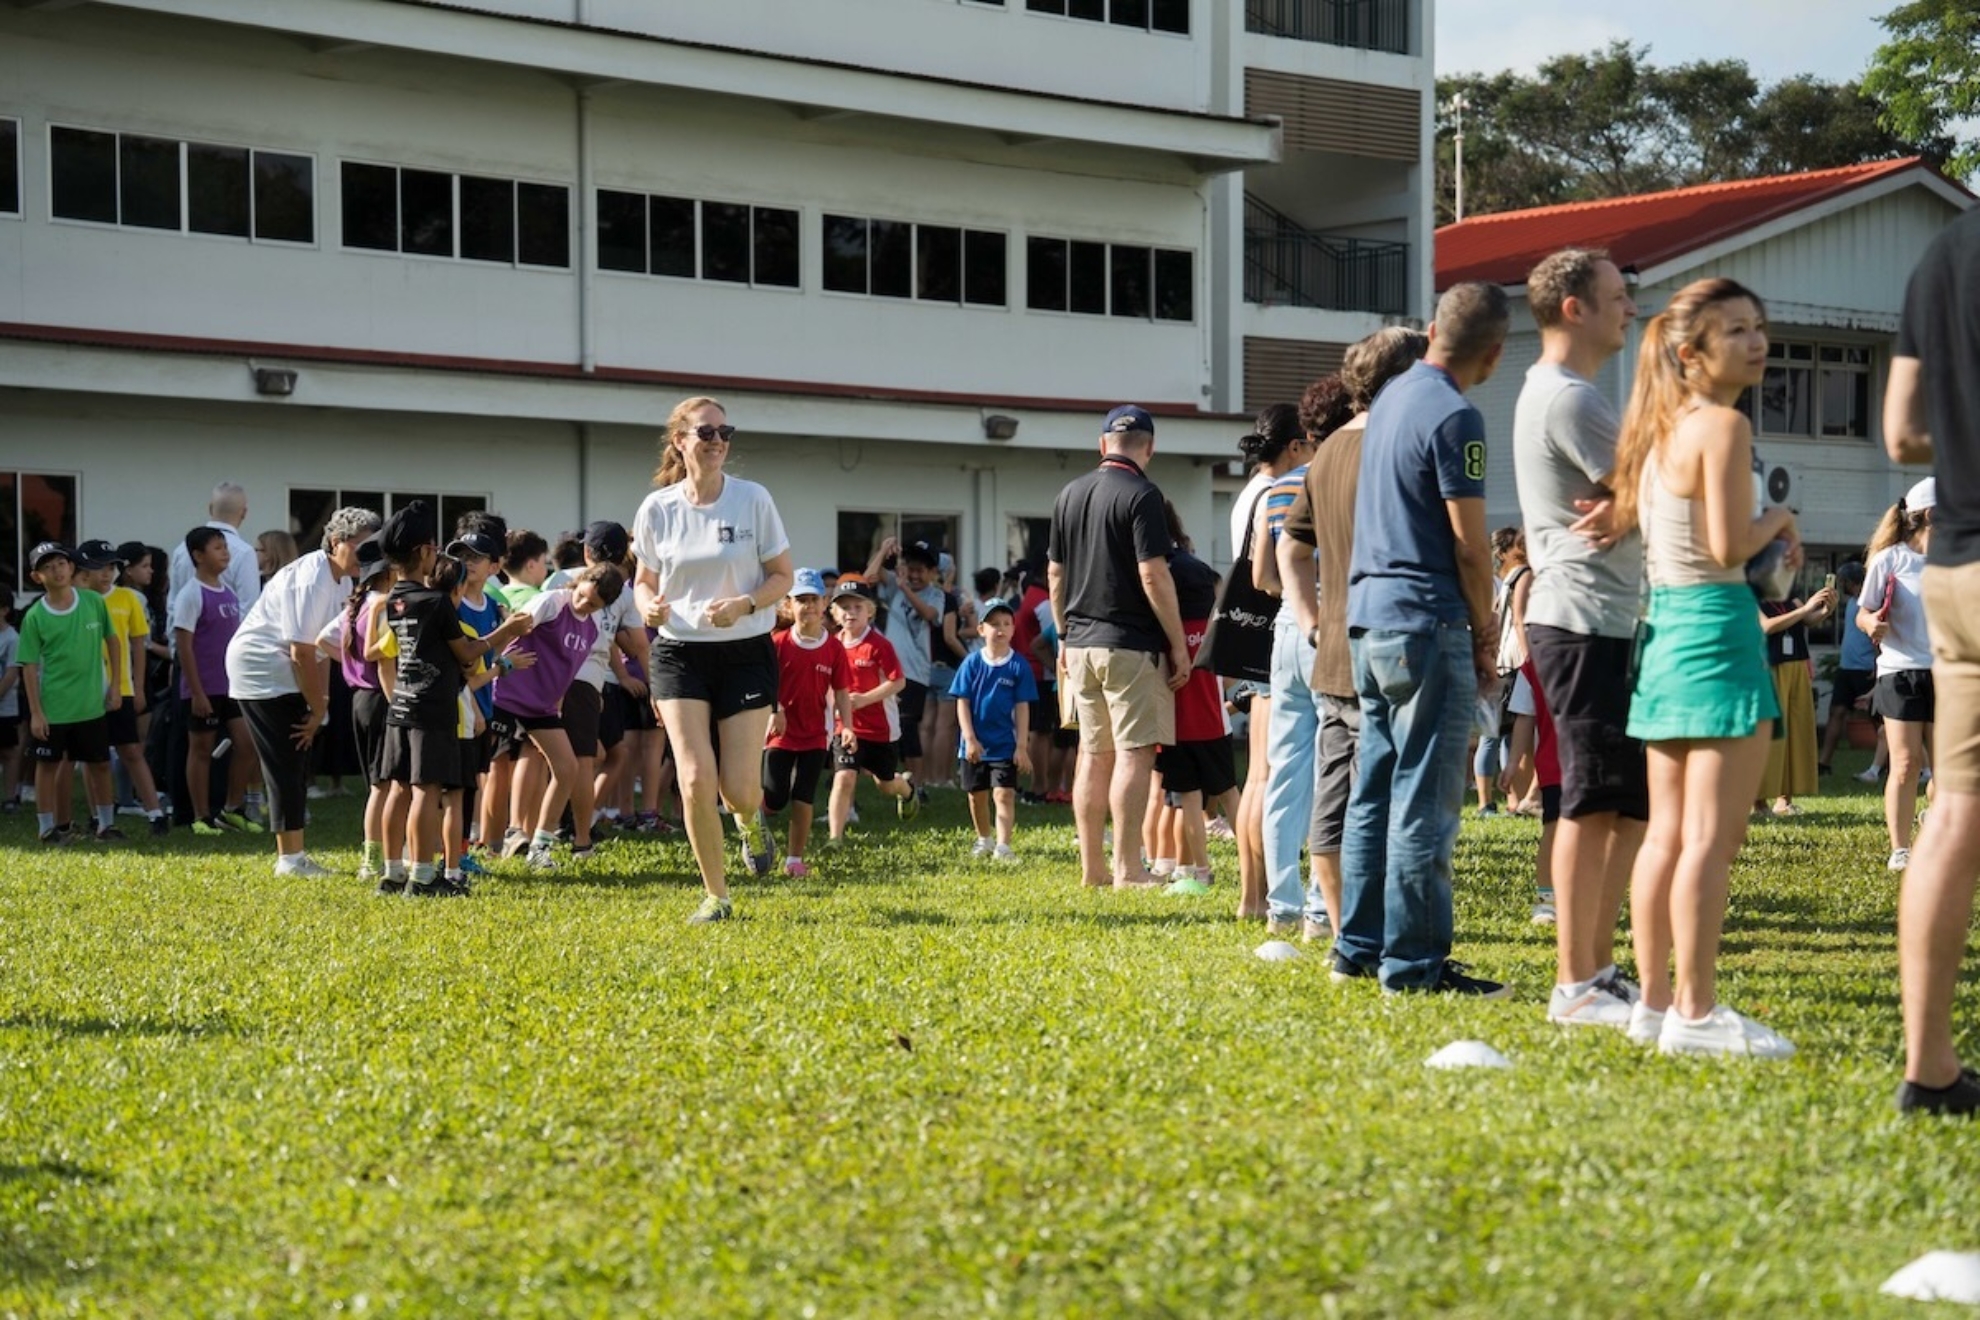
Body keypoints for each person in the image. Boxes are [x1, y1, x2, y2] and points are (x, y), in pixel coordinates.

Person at [1610, 277, 1798, 1058]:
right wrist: (1781, 519)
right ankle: (1696, 1012)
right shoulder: (1721, 426)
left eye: (1757, 325)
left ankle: (1655, 1005)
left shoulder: (1658, 430)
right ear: (1690, 354)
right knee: (1710, 843)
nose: (1754, 341)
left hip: (1666, 637)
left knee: (1667, 837)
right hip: (1717, 630)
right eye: (1734, 331)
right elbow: (1729, 546)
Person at [1330, 284, 1511, 997]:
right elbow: (1472, 546)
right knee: (1425, 804)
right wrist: (1486, 631)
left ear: (1433, 329)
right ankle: (1413, 966)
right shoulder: (1457, 415)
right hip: (1427, 620)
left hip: (1368, 619)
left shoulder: (1391, 399)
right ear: (1494, 355)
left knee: (1373, 793)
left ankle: (1356, 948)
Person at [1506, 248, 1649, 1027]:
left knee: (1626, 807)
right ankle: (1575, 984)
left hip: (1605, 619)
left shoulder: (1568, 393)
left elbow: (1646, 492)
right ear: (1575, 308)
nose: (1630, 308)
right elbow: (1670, 493)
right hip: (1583, 619)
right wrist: (1641, 499)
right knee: (1589, 804)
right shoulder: (1571, 400)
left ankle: (1598, 969)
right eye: (1619, 294)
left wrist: (1634, 501)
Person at [1278, 326, 1431, 944]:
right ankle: (1392, 937)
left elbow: (1290, 547)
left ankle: (1345, 933)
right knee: (1391, 802)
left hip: (1333, 653)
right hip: (1391, 646)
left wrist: (1312, 619)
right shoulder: (1400, 442)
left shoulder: (1328, 451)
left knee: (1334, 805)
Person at [631, 395, 796, 925]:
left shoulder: (753, 500)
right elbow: (643, 582)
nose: (719, 440)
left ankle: (750, 821)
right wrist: (648, 606)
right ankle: (717, 896)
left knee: (740, 789)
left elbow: (783, 577)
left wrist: (746, 603)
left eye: (726, 432)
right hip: (679, 653)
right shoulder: (658, 508)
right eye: (707, 432)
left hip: (746, 651)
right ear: (680, 441)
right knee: (696, 779)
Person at [1885, 205, 1980, 1115]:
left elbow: (1902, 434)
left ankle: (1931, 1067)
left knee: (1954, 811)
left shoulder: (1944, 252)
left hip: (1954, 567)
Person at [1048, 405, 1191, 890]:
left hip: (1081, 645)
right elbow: (1153, 573)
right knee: (1133, 754)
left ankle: (1093, 870)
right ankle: (1130, 869)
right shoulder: (1144, 494)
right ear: (1149, 447)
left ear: (1101, 443)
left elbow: (1055, 575)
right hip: (1130, 645)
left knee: (1093, 753)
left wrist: (1064, 637)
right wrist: (1179, 644)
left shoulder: (1069, 494)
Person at [224, 505, 381, 877]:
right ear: (337, 542)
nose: (370, 556)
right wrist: (315, 707)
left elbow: (326, 647)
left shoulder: (343, 579)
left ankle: (295, 855)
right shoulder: (312, 577)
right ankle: (290, 860)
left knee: (296, 759)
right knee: (284, 761)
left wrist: (319, 708)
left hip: (288, 669)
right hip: (262, 669)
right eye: (363, 546)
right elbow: (301, 650)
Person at [1257, 384, 1354, 937]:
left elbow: (1265, 576)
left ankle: (1282, 906)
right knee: (1332, 769)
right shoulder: (1338, 478)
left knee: (1283, 773)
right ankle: (1322, 907)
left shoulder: (1275, 488)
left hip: (1285, 626)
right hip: (1328, 621)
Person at [486, 564, 623, 880]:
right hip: (506, 694)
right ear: (580, 582)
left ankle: (540, 848)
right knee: (481, 768)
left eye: (593, 605)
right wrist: (495, 662)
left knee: (567, 767)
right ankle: (477, 845)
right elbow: (512, 628)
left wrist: (557, 702)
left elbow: (567, 670)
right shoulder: (551, 601)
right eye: (583, 596)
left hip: (542, 707)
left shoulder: (592, 629)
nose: (583, 605)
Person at [1228, 405, 1309, 919]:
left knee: (1259, 774)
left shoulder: (1250, 492)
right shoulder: (1283, 491)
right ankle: (1259, 895)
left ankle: (1251, 897)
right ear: (1297, 446)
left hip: (1260, 637)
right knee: (1266, 774)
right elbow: (1266, 575)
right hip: (1278, 631)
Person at [18, 542, 120, 844]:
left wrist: (115, 686)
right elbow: (29, 667)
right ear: (37, 577)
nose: (56, 570)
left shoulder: (92, 602)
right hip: (55, 708)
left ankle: (106, 825)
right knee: (48, 766)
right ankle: (47, 828)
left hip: (91, 705)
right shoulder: (35, 616)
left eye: (61, 564)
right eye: (47, 567)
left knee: (100, 764)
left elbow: (112, 640)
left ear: (72, 568)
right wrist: (36, 713)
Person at [1860, 480, 1937, 873]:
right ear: (1931, 515)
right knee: (1905, 765)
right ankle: (1901, 848)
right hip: (1900, 671)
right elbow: (1863, 612)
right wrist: (1871, 622)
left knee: (1949, 774)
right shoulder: (1889, 560)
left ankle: (1935, 824)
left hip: (1948, 674)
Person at [763, 568, 855, 878]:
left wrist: (848, 727)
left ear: (825, 602)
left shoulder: (834, 648)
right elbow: (765, 682)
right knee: (774, 796)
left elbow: (842, 692)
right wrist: (775, 709)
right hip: (780, 733)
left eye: (814, 599)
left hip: (817, 734)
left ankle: (793, 859)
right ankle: (755, 831)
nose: (809, 606)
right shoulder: (778, 643)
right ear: (789, 604)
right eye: (802, 600)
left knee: (803, 796)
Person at [73, 540, 168, 835]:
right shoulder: (78, 600)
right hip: (87, 690)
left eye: (112, 566)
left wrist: (139, 687)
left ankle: (155, 812)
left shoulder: (127, 599)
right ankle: (97, 814)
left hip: (122, 687)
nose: (107, 573)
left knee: (131, 750)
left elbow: (138, 646)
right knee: (93, 755)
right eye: (100, 567)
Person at [175, 526, 256, 835]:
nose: (226, 553)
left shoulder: (230, 593)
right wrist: (196, 692)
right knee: (201, 750)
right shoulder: (190, 594)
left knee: (247, 745)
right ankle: (200, 816)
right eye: (218, 548)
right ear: (198, 556)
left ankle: (232, 809)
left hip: (231, 687)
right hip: (203, 689)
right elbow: (184, 646)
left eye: (226, 547)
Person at [825, 576, 915, 841]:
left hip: (880, 730)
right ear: (834, 613)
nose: (850, 613)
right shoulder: (831, 644)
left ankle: (907, 790)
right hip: (847, 727)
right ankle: (835, 838)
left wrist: (863, 699)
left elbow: (898, 681)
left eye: (857, 607)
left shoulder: (879, 645)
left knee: (885, 784)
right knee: (844, 778)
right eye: (844, 607)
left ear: (870, 611)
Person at [951, 596, 1037, 862]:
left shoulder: (1018, 666)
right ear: (981, 629)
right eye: (993, 624)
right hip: (975, 745)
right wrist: (969, 739)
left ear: (1013, 629)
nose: (1000, 630)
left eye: (1006, 624)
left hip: (1004, 745)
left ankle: (1003, 845)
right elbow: (962, 702)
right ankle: (984, 839)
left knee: (1004, 793)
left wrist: (1021, 746)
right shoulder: (972, 663)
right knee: (977, 796)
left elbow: (1023, 708)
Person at [866, 536, 944, 794]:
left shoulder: (936, 595)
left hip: (915, 673)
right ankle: (897, 781)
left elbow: (930, 615)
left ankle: (918, 786)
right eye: (911, 569)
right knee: (889, 727)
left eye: (921, 570)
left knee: (909, 728)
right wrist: (883, 549)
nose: (915, 575)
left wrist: (905, 588)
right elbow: (868, 578)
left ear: (933, 573)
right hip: (887, 671)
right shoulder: (896, 586)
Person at [1755, 584, 1835, 816]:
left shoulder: (1790, 596)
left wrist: (1826, 609)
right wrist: (1805, 610)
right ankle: (1759, 802)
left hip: (1797, 665)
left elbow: (1809, 619)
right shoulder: (1752, 595)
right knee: (1771, 733)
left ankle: (1784, 800)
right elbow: (1766, 626)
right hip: (1770, 667)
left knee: (1795, 731)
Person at [1817, 561, 1874, 776]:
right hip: (1846, 668)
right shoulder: (1850, 601)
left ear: (1852, 582)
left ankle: (1885, 763)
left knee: (1876, 717)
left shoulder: (1870, 602)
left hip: (1865, 668)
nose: (1840, 584)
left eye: (1843, 581)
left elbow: (1877, 637)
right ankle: (1824, 763)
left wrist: (1877, 666)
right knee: (1836, 712)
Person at [168, 482, 260, 612]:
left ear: (210, 508)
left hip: (183, 630)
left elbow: (172, 603)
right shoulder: (244, 553)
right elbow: (249, 608)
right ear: (244, 512)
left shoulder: (182, 549)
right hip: (226, 631)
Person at [0, 595, 20, 811]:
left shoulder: (12, 638)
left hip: (6, 707)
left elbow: (11, 673)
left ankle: (10, 797)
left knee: (9, 752)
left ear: (4, 610)